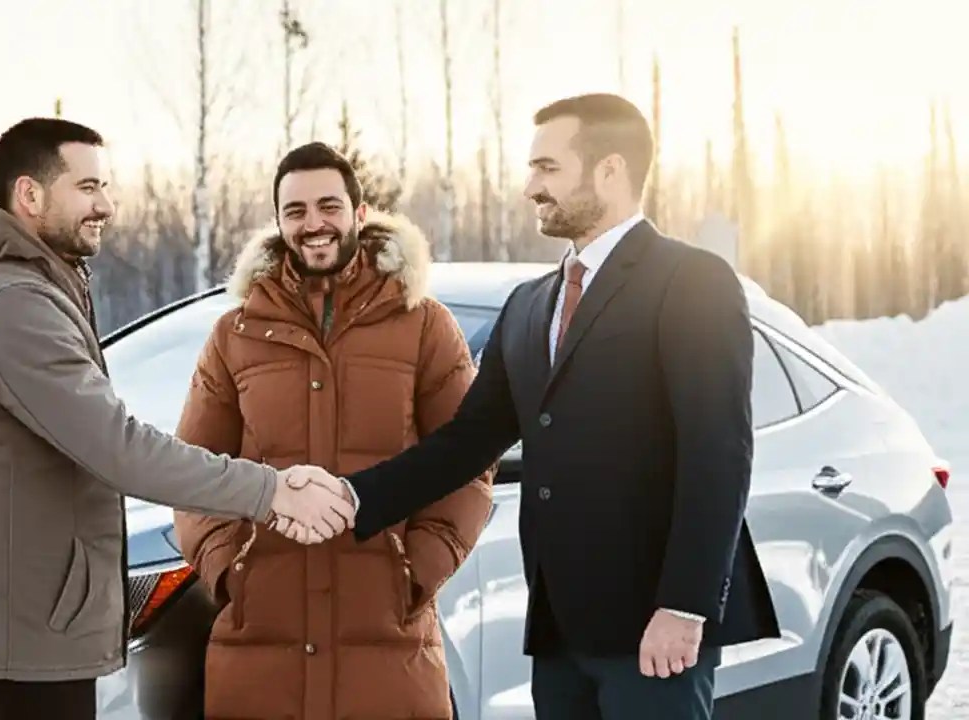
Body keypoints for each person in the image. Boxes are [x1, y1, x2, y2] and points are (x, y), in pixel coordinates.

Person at [320, 94, 781, 719]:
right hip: (559, 628)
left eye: (547, 168)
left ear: (610, 171)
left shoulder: (692, 281)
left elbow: (719, 454)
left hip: (654, 626)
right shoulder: (529, 304)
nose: (531, 187)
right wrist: (353, 498)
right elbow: (468, 441)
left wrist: (684, 606)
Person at [0, 119, 352, 720]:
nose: (106, 205)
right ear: (30, 195)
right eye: (88, 186)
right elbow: (117, 447)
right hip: (26, 632)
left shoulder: (35, 289)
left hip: (37, 621)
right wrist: (272, 489)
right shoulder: (10, 303)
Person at [171, 141, 494, 720]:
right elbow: (193, 470)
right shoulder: (234, 333)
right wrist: (228, 572)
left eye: (329, 206)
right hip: (261, 645)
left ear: (359, 214)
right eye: (295, 211)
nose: (313, 224)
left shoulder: (423, 324)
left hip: (385, 644)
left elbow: (470, 461)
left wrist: (416, 570)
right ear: (278, 224)